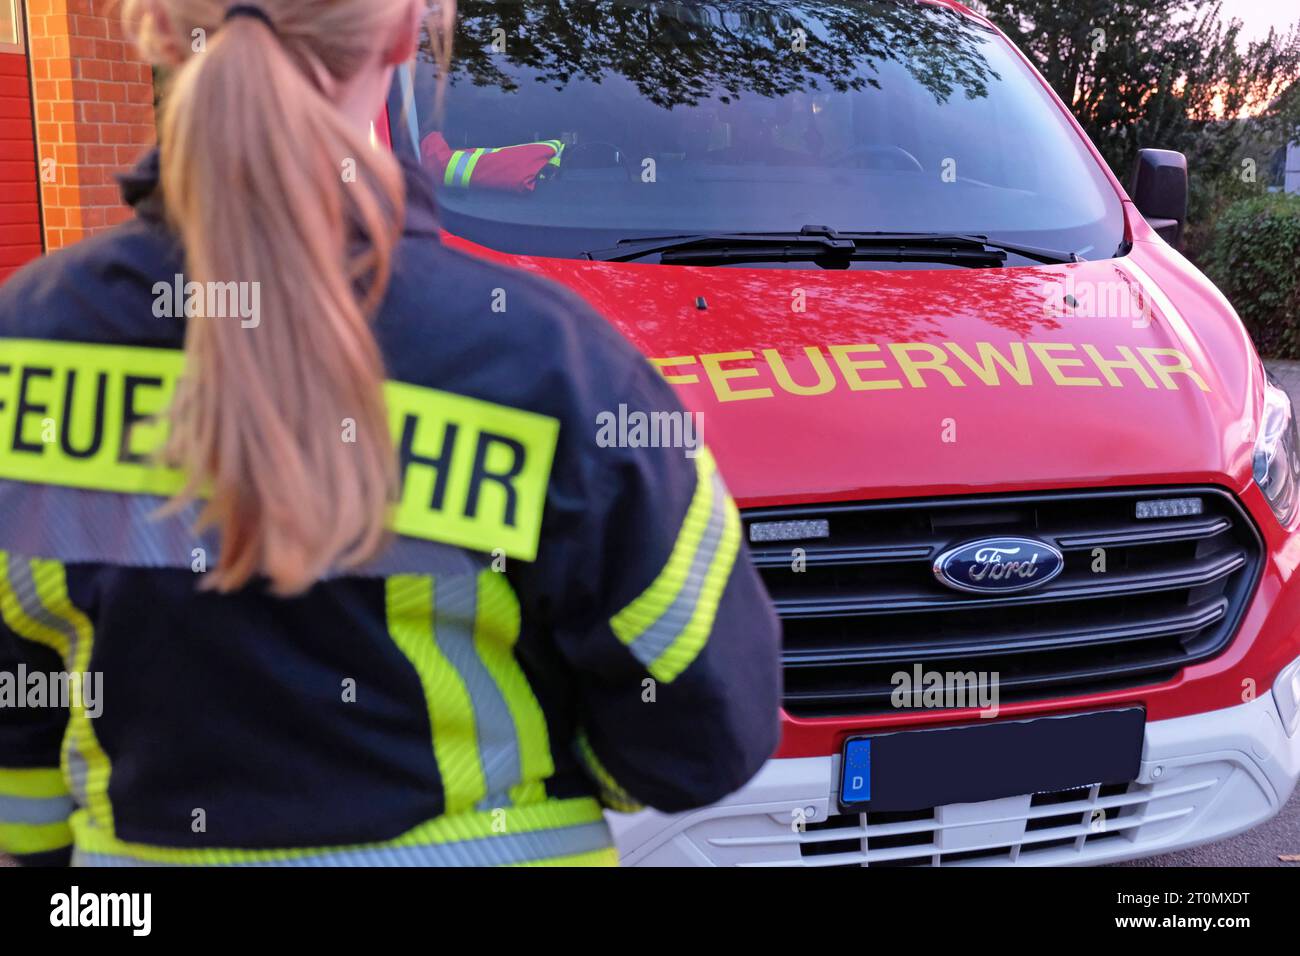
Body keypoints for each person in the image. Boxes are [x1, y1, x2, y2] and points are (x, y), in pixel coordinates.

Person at [0, 0, 781, 866]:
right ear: (407, 31)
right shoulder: (550, 361)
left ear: (152, 24)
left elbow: (18, 734)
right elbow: (705, 727)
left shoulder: (23, 345)